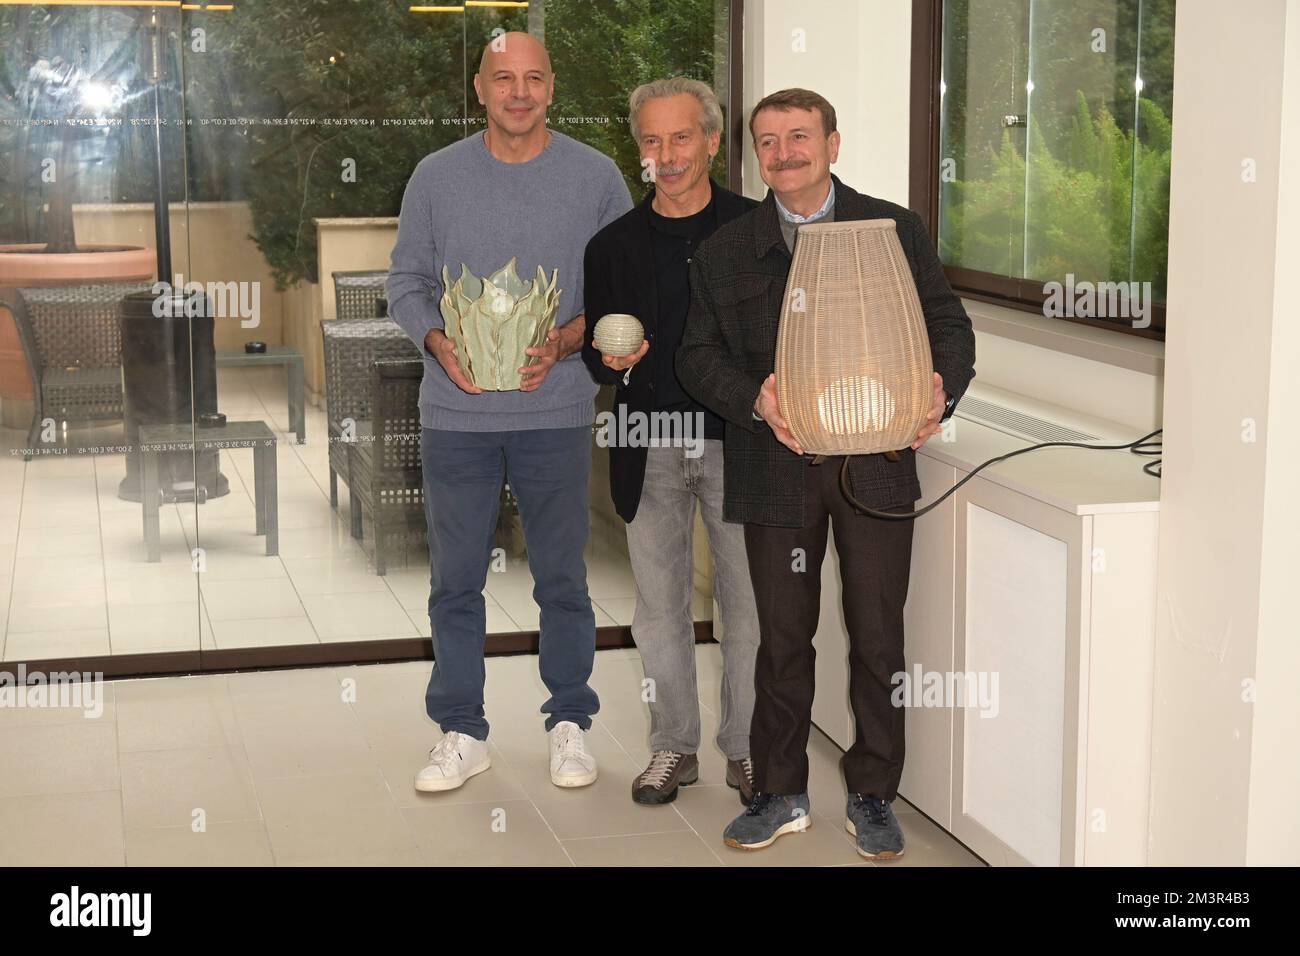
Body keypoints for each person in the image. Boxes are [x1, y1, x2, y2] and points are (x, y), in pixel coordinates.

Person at [676, 88, 976, 858]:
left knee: (879, 635)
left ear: (833, 145)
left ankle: (874, 794)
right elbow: (695, 356)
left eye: (799, 137)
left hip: (876, 465)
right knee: (781, 638)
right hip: (774, 465)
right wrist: (754, 399)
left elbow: (948, 325)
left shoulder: (892, 231)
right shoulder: (725, 250)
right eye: (768, 142)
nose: (784, 154)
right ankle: (779, 793)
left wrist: (939, 388)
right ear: (755, 155)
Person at [387, 32, 633, 793]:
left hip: (555, 413)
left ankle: (569, 722)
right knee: (454, 582)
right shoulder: (435, 177)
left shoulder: (596, 177)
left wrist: (567, 340)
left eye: (532, 79)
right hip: (455, 416)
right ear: (481, 88)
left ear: (552, 87)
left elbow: (623, 287)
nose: (518, 92)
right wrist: (435, 339)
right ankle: (461, 731)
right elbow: (406, 283)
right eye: (503, 79)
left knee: (562, 578)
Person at [581, 77, 761, 807]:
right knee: (658, 609)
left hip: (739, 442)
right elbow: (597, 352)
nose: (667, 154)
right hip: (648, 440)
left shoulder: (758, 232)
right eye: (651, 140)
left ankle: (748, 750)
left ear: (712, 141)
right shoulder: (613, 245)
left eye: (681, 137)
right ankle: (672, 747)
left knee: (748, 605)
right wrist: (609, 359)